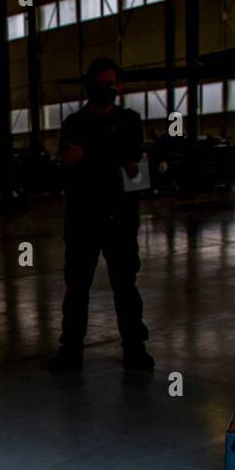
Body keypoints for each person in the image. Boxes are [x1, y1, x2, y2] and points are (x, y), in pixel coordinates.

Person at [48, 57, 153, 372]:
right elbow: (65, 166)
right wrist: (98, 159)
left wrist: (91, 158)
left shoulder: (130, 120)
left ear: (118, 86)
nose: (105, 89)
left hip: (120, 219)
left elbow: (135, 165)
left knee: (125, 286)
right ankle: (70, 350)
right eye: (99, 83)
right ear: (89, 85)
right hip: (83, 219)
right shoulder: (74, 123)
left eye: (110, 83)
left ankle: (135, 349)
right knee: (77, 287)